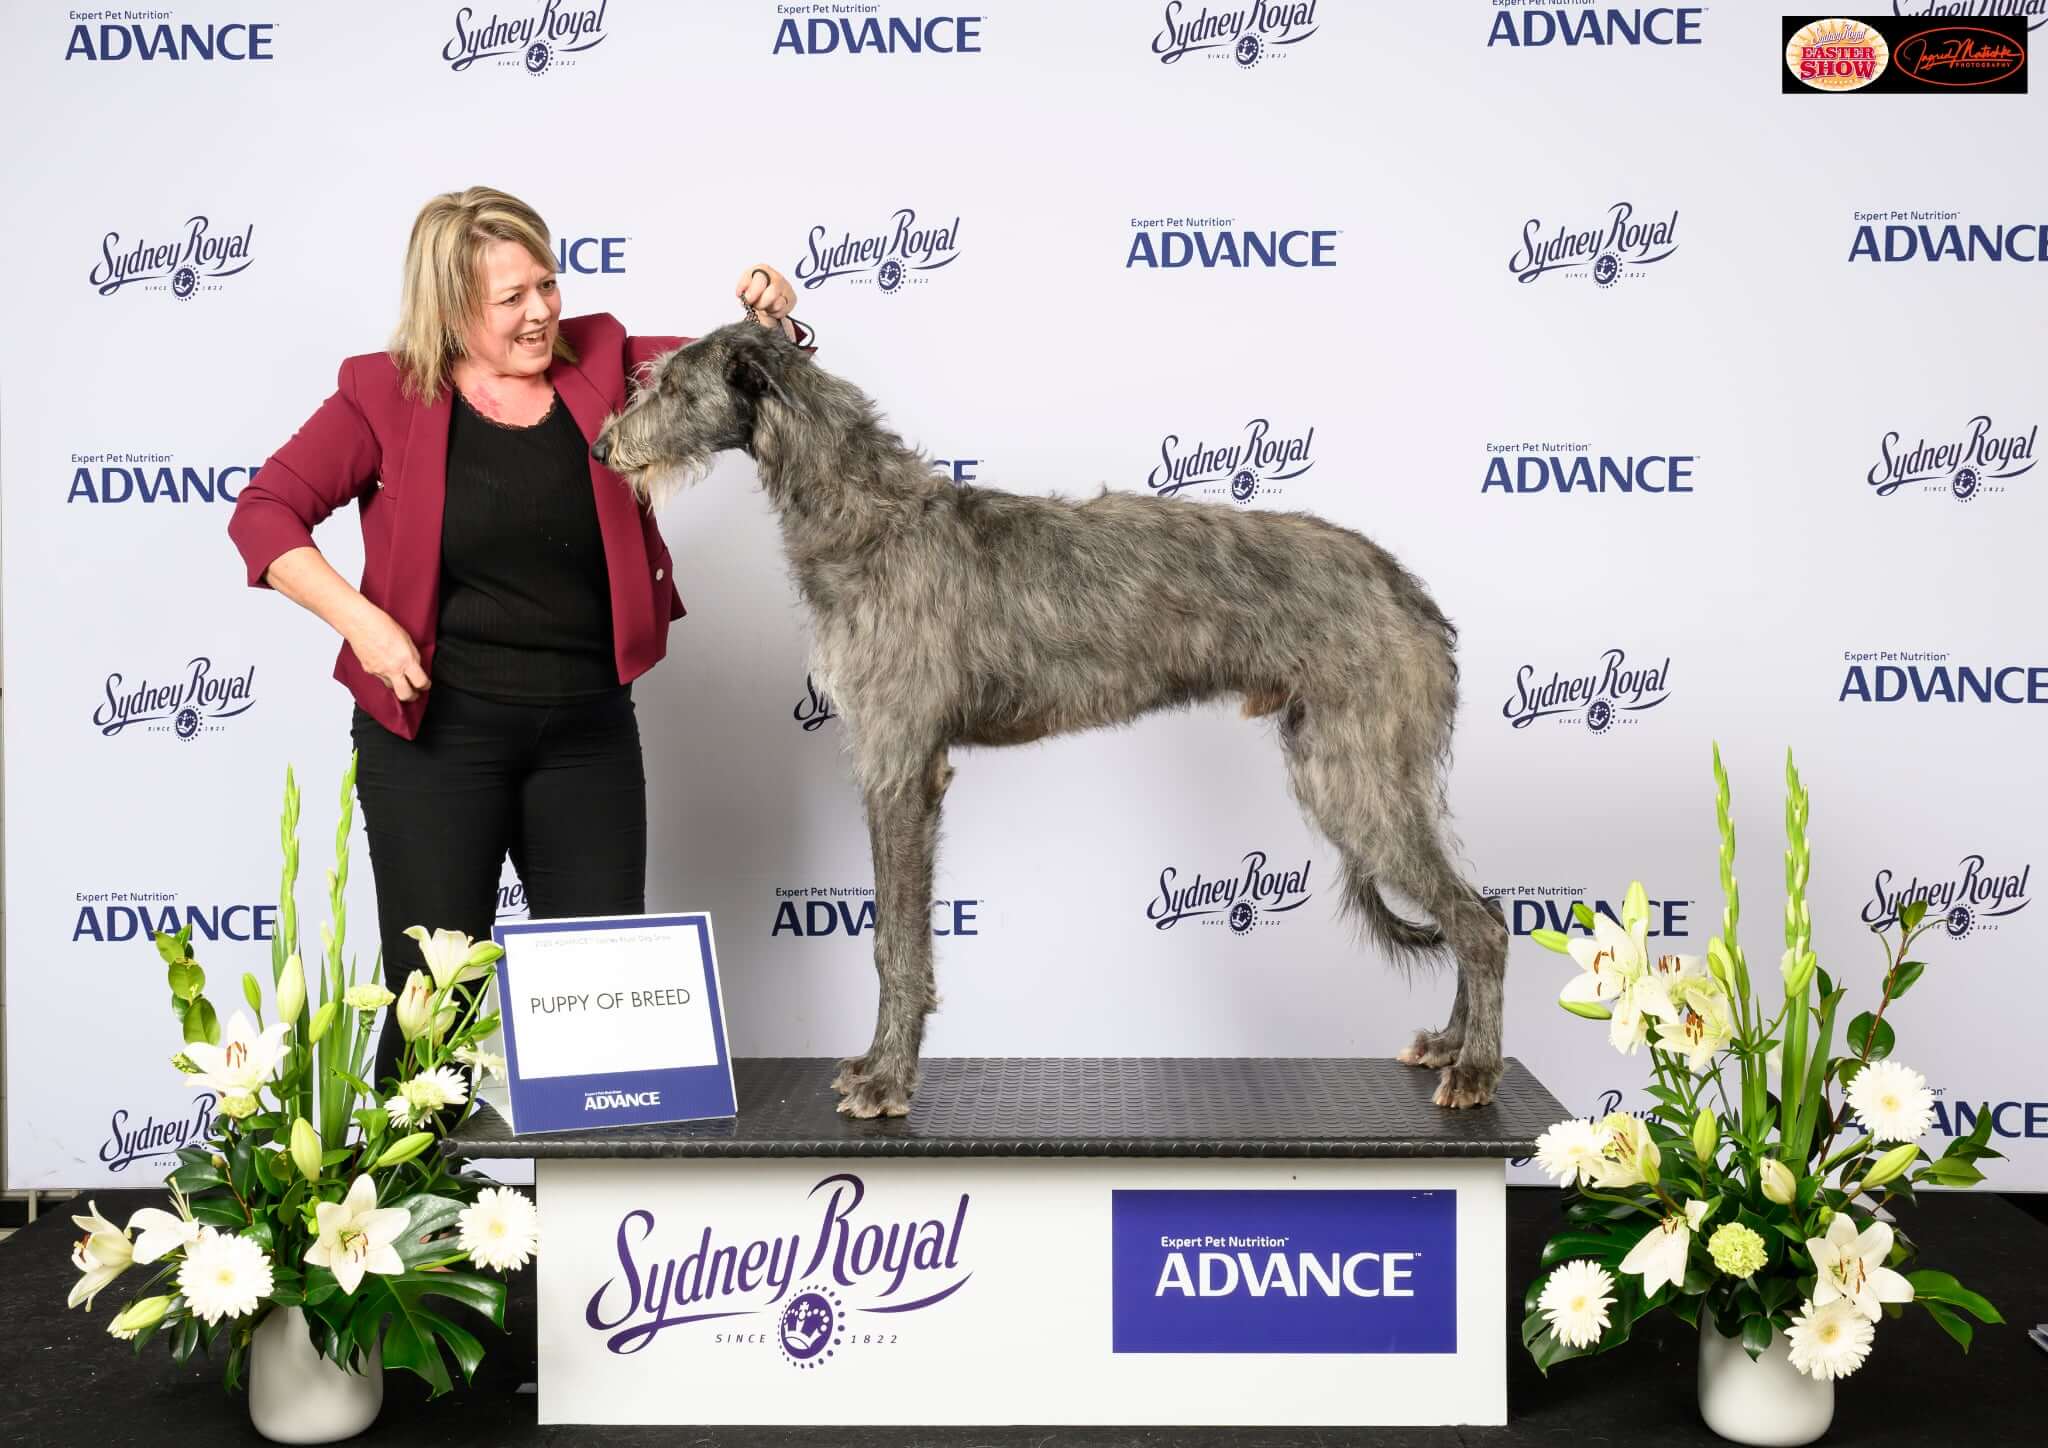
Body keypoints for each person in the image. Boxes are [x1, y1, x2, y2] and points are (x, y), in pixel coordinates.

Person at [227, 185, 809, 1090]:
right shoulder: (381, 394)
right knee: (434, 1016)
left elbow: (740, 376)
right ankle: (410, 1230)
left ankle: (599, 1227)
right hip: (435, 741)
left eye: (548, 283)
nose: (542, 311)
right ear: (451, 309)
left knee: (609, 1017)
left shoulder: (605, 363)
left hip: (586, 735)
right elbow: (264, 514)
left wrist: (770, 311)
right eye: (512, 299)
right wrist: (365, 624)